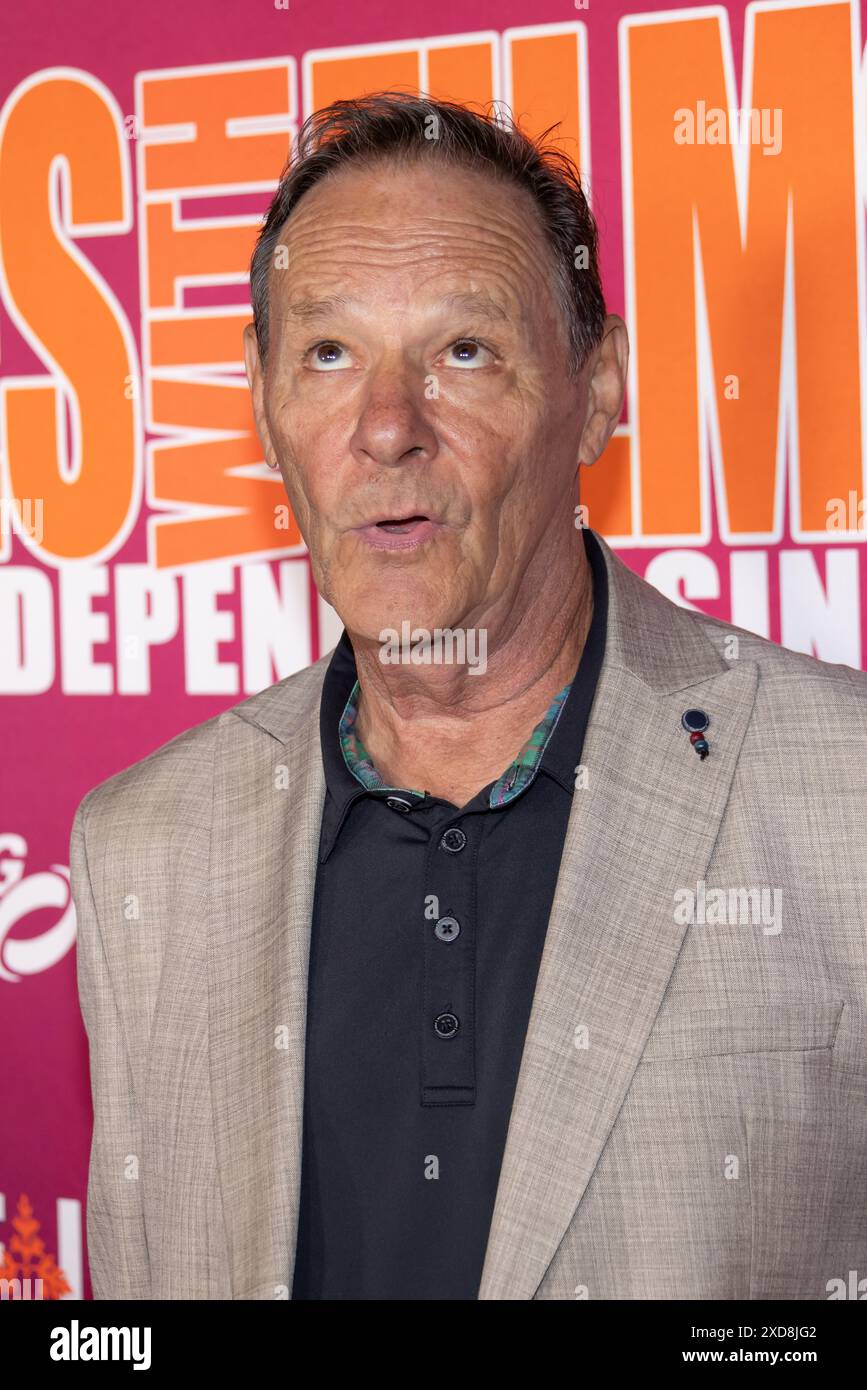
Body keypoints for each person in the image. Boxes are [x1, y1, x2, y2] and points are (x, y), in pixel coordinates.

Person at [72, 92, 867, 1301]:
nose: (388, 427)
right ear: (262, 398)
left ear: (596, 387)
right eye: (329, 353)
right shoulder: (145, 850)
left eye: (465, 351)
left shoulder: (840, 789)